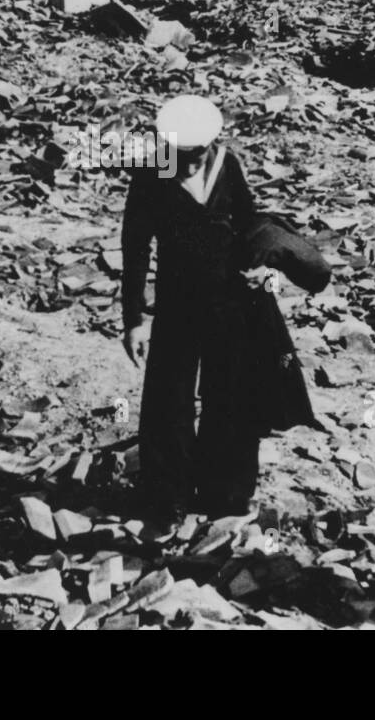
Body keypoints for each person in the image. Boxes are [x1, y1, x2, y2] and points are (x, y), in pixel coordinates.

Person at [121, 95, 318, 521]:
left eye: (196, 154)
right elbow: (135, 249)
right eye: (181, 155)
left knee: (229, 398)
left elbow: (248, 222)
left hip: (230, 301)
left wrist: (269, 268)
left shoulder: (226, 165)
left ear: (211, 143)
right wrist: (134, 321)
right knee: (167, 401)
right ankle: (166, 498)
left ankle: (222, 494)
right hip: (176, 304)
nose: (189, 164)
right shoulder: (153, 172)